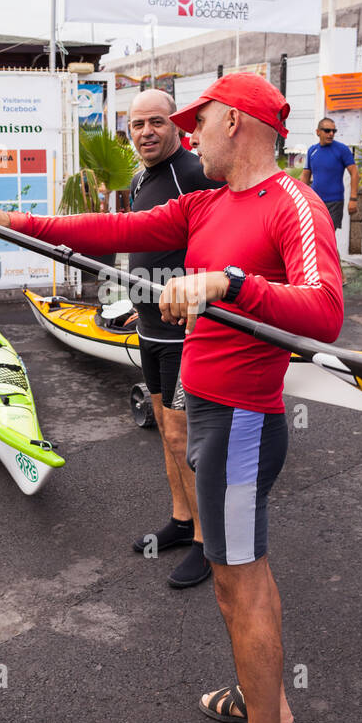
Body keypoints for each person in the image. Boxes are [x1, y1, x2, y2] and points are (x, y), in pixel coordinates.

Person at [0, 72, 343, 723]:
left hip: (246, 424)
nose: (188, 134)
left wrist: (230, 283)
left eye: (200, 121)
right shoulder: (208, 204)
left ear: (237, 122)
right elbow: (109, 232)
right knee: (236, 575)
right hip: (213, 414)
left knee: (238, 579)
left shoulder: (293, 205)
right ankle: (270, 706)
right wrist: (4, 219)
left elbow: (324, 311)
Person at [123, 89, 220, 588]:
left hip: (186, 333)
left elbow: (221, 240)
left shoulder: (194, 173)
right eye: (137, 125)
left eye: (156, 122)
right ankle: (182, 521)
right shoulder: (142, 176)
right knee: (165, 427)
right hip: (149, 328)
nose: (145, 133)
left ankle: (208, 541)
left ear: (176, 125)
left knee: (187, 436)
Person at [301, 118, 358, 279]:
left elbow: (354, 173)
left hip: (334, 202)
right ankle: (326, 274)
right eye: (327, 130)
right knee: (316, 238)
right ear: (318, 132)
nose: (331, 134)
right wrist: (299, 197)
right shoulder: (312, 150)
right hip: (315, 202)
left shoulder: (341, 150)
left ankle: (340, 276)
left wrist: (353, 199)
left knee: (326, 237)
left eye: (334, 131)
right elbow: (306, 175)